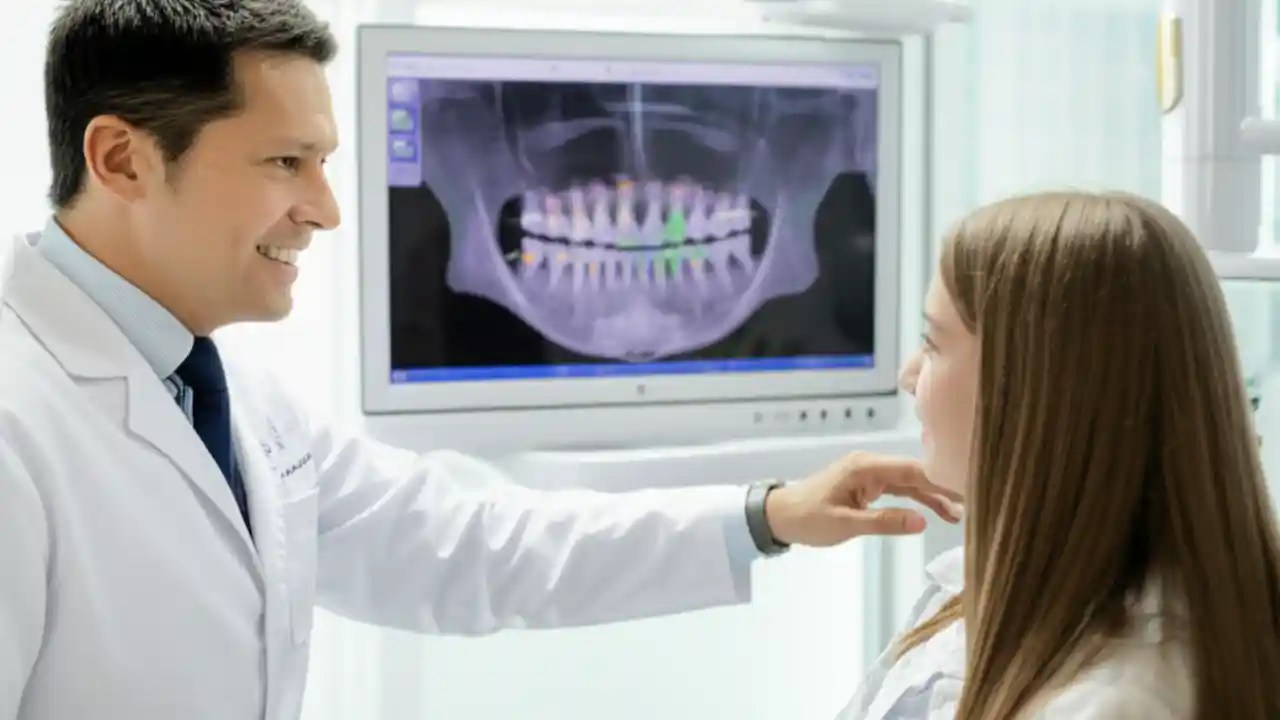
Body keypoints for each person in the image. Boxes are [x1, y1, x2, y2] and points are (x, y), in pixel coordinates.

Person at [0, 2, 962, 719]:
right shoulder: (17, 421)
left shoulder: (230, 398)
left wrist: (768, 515)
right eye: (284, 163)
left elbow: (469, 549)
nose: (328, 209)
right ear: (122, 159)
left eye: (324, 163)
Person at [837, 191, 1280, 719]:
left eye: (932, 345)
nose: (908, 375)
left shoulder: (1111, 703)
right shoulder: (992, 596)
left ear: (1033, 389)